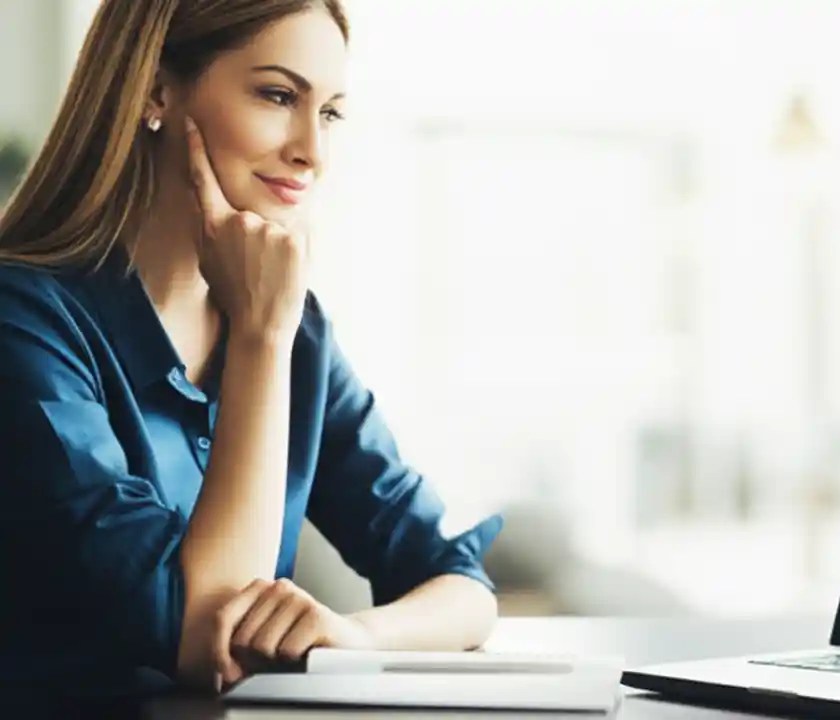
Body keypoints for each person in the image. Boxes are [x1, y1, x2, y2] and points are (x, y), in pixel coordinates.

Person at [0, 0, 502, 702]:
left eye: (329, 113)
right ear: (155, 89)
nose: (313, 151)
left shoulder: (294, 331)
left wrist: (354, 637)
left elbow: (460, 584)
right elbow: (205, 638)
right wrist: (261, 342)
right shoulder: (23, 321)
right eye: (277, 95)